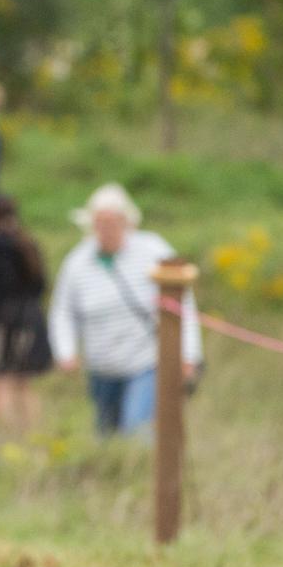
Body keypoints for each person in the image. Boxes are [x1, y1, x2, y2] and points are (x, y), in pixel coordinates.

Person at [48, 183, 202, 436]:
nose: (106, 229)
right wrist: (65, 351)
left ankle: (140, 470)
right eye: (100, 222)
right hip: (101, 367)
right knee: (106, 433)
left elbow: (181, 304)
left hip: (145, 362)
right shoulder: (77, 262)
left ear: (126, 222)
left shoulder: (153, 250)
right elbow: (63, 311)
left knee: (136, 428)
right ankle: (115, 473)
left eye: (112, 222)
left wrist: (189, 355)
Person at [0, 194, 53, 433]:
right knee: (24, 383)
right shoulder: (28, 243)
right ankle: (33, 434)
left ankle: (7, 436)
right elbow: (41, 285)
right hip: (30, 320)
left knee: (0, 381)